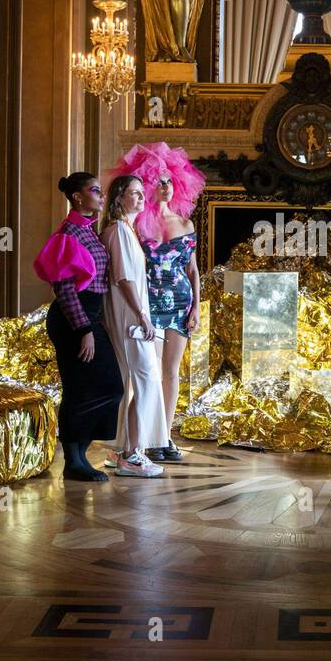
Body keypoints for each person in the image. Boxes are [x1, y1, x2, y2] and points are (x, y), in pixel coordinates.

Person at [114, 142, 205, 464]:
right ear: (147, 186)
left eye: (169, 181)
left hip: (181, 303)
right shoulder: (137, 224)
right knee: (148, 375)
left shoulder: (186, 223)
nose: (164, 187)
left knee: (171, 372)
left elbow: (193, 270)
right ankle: (144, 440)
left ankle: (165, 437)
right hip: (149, 306)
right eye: (158, 181)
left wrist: (196, 306)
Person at [32, 173, 121, 482]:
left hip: (89, 316)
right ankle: (73, 460)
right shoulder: (69, 233)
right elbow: (65, 288)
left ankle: (79, 453)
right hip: (74, 319)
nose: (101, 196)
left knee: (108, 386)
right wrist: (84, 330)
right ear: (77, 197)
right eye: (95, 191)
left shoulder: (88, 230)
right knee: (82, 388)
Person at [100, 174, 170, 477]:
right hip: (130, 318)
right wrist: (142, 315)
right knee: (147, 381)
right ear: (119, 198)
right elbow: (123, 278)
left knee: (136, 383)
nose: (142, 197)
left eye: (143, 193)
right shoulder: (117, 231)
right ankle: (132, 455)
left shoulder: (126, 229)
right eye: (135, 193)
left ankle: (126, 450)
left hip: (133, 316)